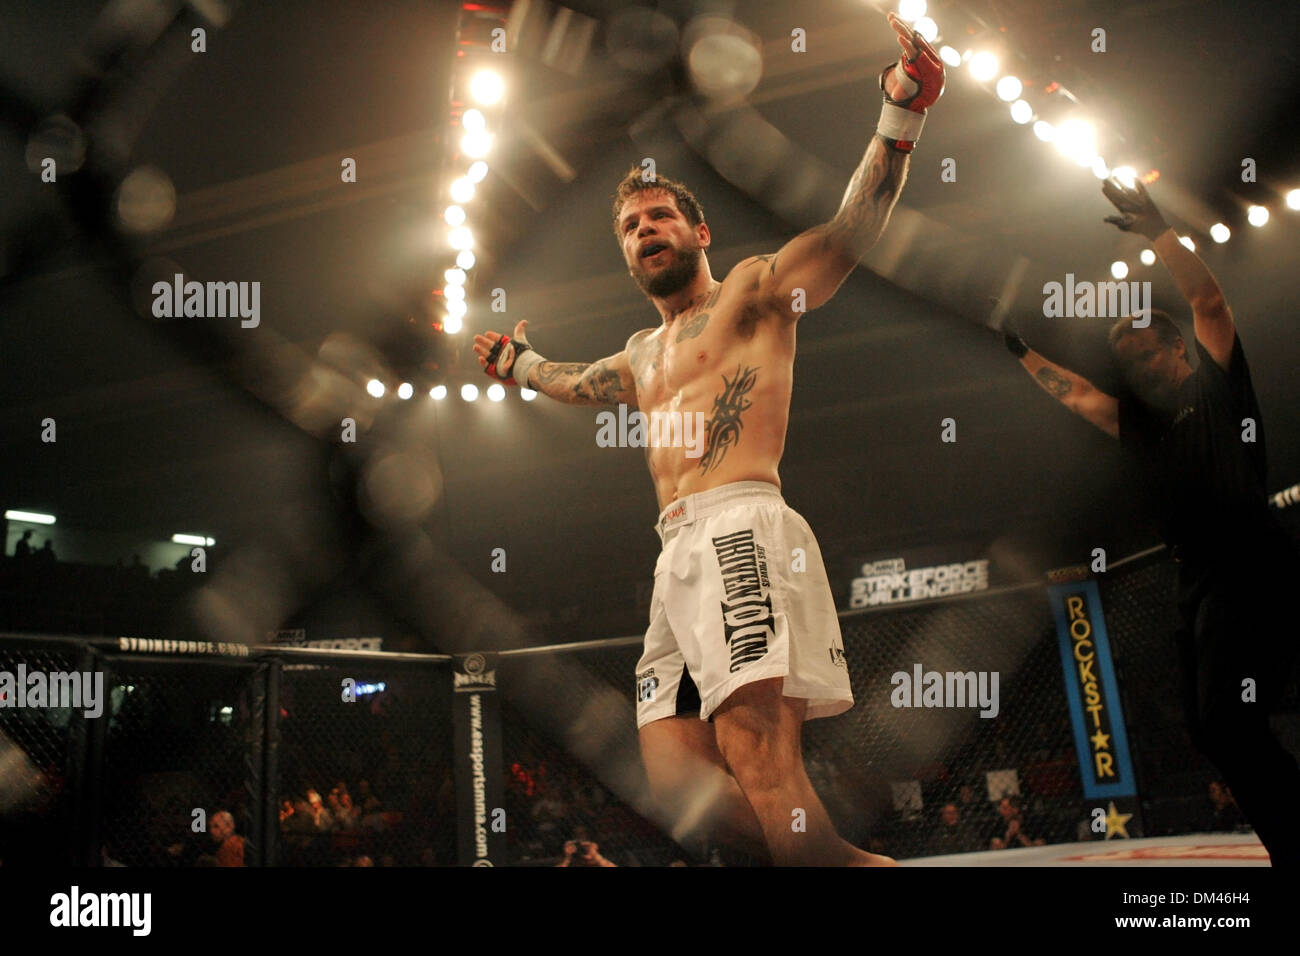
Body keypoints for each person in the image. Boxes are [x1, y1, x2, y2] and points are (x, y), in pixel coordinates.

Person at [474, 11, 943, 867]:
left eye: (659, 217)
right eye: (630, 227)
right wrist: (520, 361)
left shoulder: (756, 294)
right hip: (674, 554)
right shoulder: (640, 354)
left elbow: (850, 233)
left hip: (740, 528)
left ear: (699, 232)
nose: (645, 231)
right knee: (679, 786)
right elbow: (574, 384)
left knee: (761, 761)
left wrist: (900, 116)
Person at [1003, 175, 1300, 867]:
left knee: (1229, 720)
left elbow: (1208, 299)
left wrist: (1160, 231)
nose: (1138, 371)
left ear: (1180, 351)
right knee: (1210, 728)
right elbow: (1076, 395)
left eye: (1146, 356)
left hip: (1252, 565)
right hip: (1198, 581)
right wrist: (1019, 350)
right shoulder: (1138, 425)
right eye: (1128, 365)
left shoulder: (1219, 390)